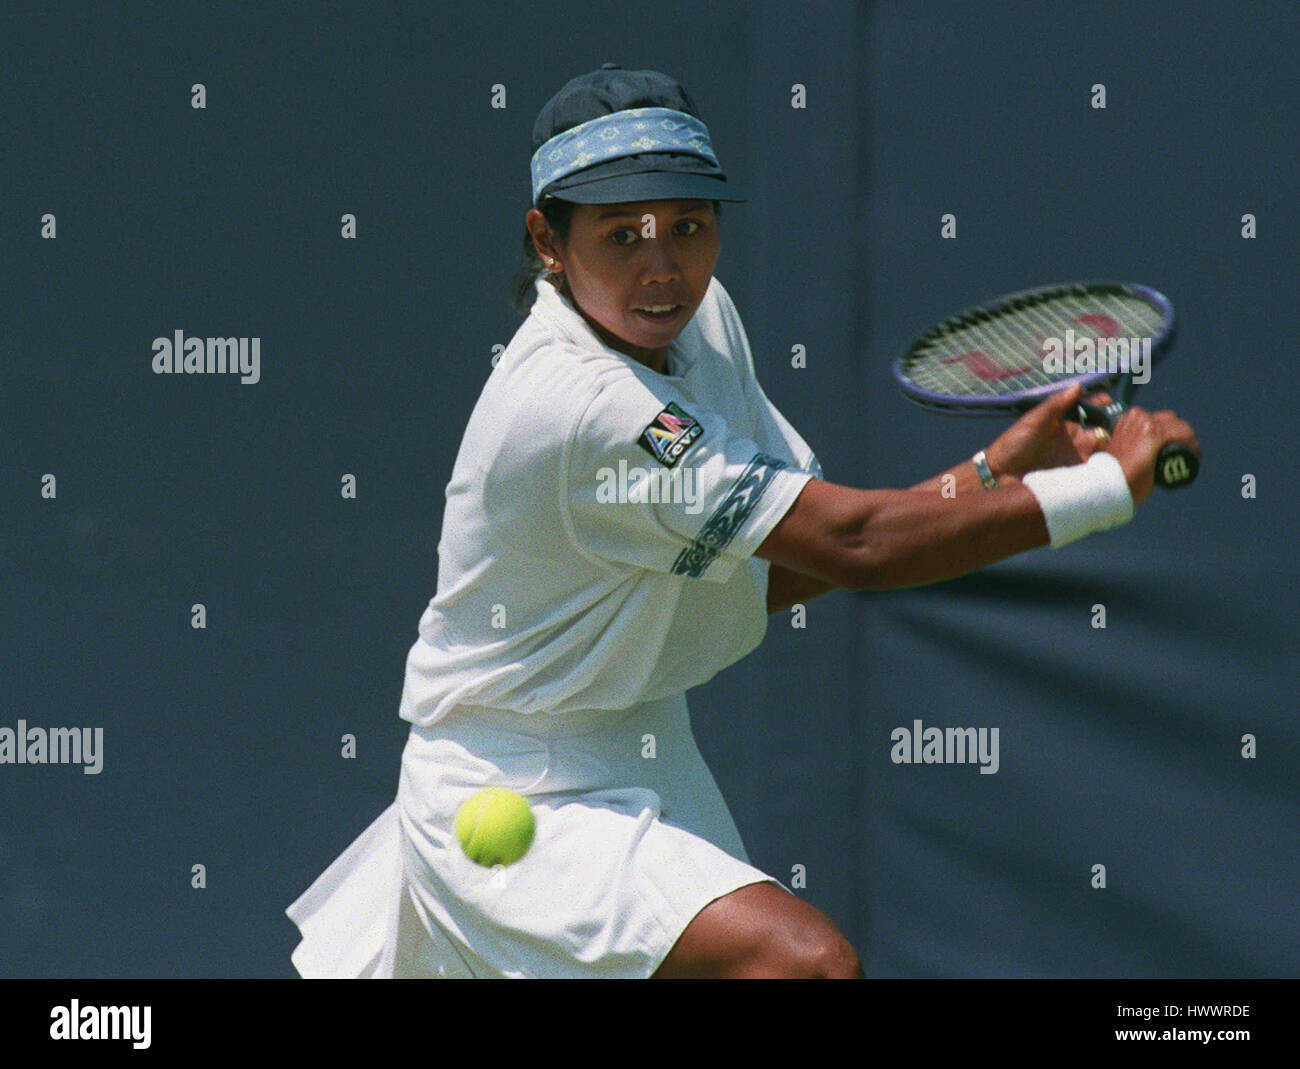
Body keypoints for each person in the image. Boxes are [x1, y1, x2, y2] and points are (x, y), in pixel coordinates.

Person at [285, 65, 1199, 979]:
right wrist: (1103, 492)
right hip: (514, 788)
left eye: (689, 225)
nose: (663, 265)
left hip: (647, 746)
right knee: (805, 964)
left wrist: (996, 469)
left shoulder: (702, 318)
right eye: (622, 234)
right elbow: (857, 543)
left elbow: (782, 561)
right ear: (548, 240)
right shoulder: (583, 406)